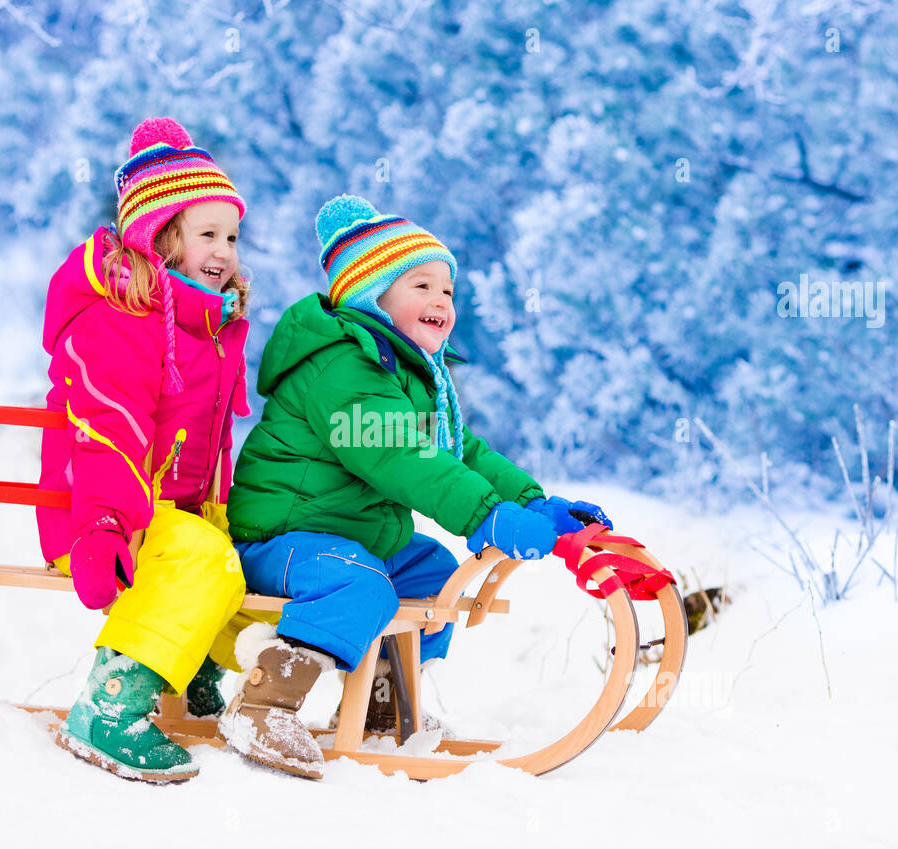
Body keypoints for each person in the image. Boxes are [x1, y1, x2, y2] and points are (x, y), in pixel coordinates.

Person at [219, 195, 610, 779]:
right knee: (362, 586)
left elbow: (460, 452)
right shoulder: (343, 366)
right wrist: (486, 516)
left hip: (350, 534)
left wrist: (532, 503)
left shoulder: (409, 374)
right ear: (371, 293)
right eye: (421, 286)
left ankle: (385, 704)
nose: (441, 302)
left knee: (430, 573)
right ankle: (264, 701)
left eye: (448, 291)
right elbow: (400, 457)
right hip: (286, 537)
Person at [35, 116, 273, 783]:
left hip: (161, 511)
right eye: (207, 234)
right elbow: (105, 430)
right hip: (97, 510)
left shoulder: (209, 325)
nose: (225, 250)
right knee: (203, 558)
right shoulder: (119, 317)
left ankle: (188, 666)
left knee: (236, 550)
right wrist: (103, 522)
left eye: (232, 235)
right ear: (159, 237)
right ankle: (109, 706)